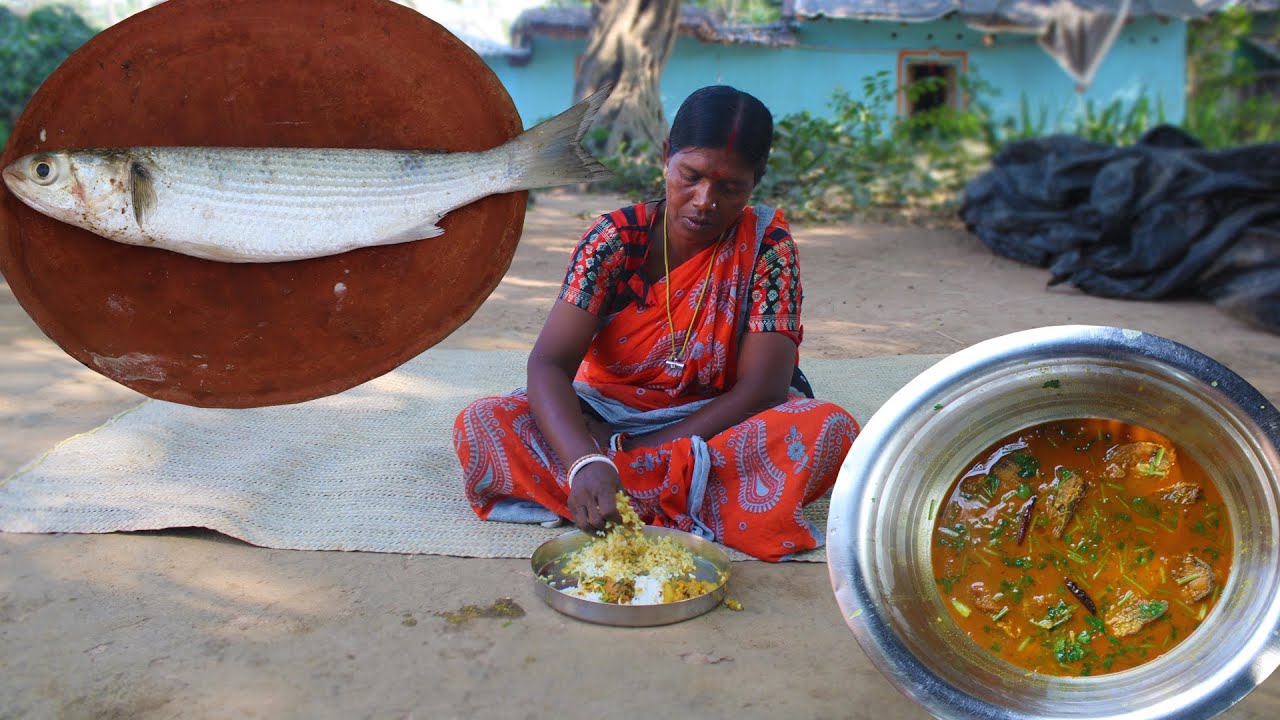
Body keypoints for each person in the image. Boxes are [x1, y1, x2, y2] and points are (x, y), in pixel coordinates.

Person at [453, 86, 857, 561]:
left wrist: (628, 448)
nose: (705, 200)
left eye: (730, 188)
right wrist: (584, 458)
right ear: (666, 157)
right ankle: (660, 496)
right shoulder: (616, 238)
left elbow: (763, 391)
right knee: (482, 423)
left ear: (756, 182)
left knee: (828, 428)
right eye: (691, 176)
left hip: (718, 422)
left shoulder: (768, 246)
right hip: (603, 415)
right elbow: (548, 364)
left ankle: (607, 496)